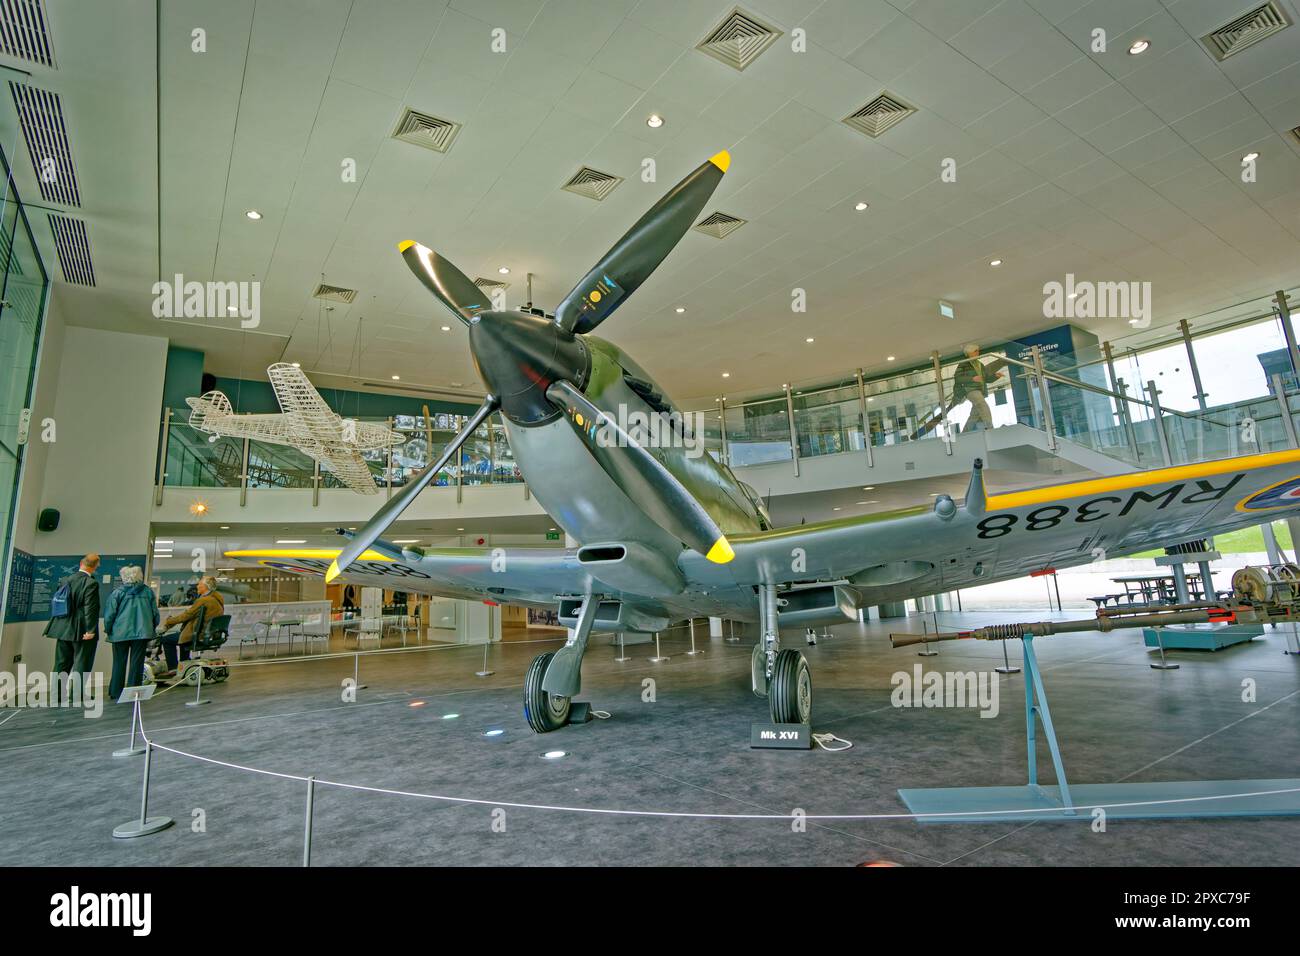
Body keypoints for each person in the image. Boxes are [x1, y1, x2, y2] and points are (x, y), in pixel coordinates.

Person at [43, 553, 101, 682]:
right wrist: (91, 631)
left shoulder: (65, 580)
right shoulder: (91, 583)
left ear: (81, 563)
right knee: (82, 664)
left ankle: (56, 694)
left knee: (60, 663)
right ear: (96, 566)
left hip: (62, 627)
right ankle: (76, 695)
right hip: (81, 629)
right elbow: (90, 608)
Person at [103, 566, 158, 700]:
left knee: (118, 663)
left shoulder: (117, 593)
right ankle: (135, 692)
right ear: (139, 576)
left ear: (123, 577)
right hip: (142, 633)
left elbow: (109, 615)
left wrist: (108, 629)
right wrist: (151, 627)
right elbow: (155, 614)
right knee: (137, 663)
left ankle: (116, 692)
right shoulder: (148, 592)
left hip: (120, 634)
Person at [158, 575, 224, 678]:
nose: (197, 586)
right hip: (208, 633)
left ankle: (173, 668)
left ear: (205, 587)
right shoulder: (217, 599)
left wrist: (169, 621)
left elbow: (186, 616)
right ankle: (184, 663)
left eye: (199, 584)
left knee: (166, 640)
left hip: (198, 634)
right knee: (182, 637)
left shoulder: (204, 600)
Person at [952, 342, 995, 432]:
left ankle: (965, 432)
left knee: (975, 413)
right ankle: (990, 428)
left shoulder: (980, 364)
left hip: (980, 390)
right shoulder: (963, 364)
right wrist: (972, 378)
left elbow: (986, 378)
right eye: (975, 351)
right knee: (982, 405)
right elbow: (958, 378)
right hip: (970, 390)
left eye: (978, 351)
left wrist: (996, 376)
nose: (978, 352)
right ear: (969, 353)